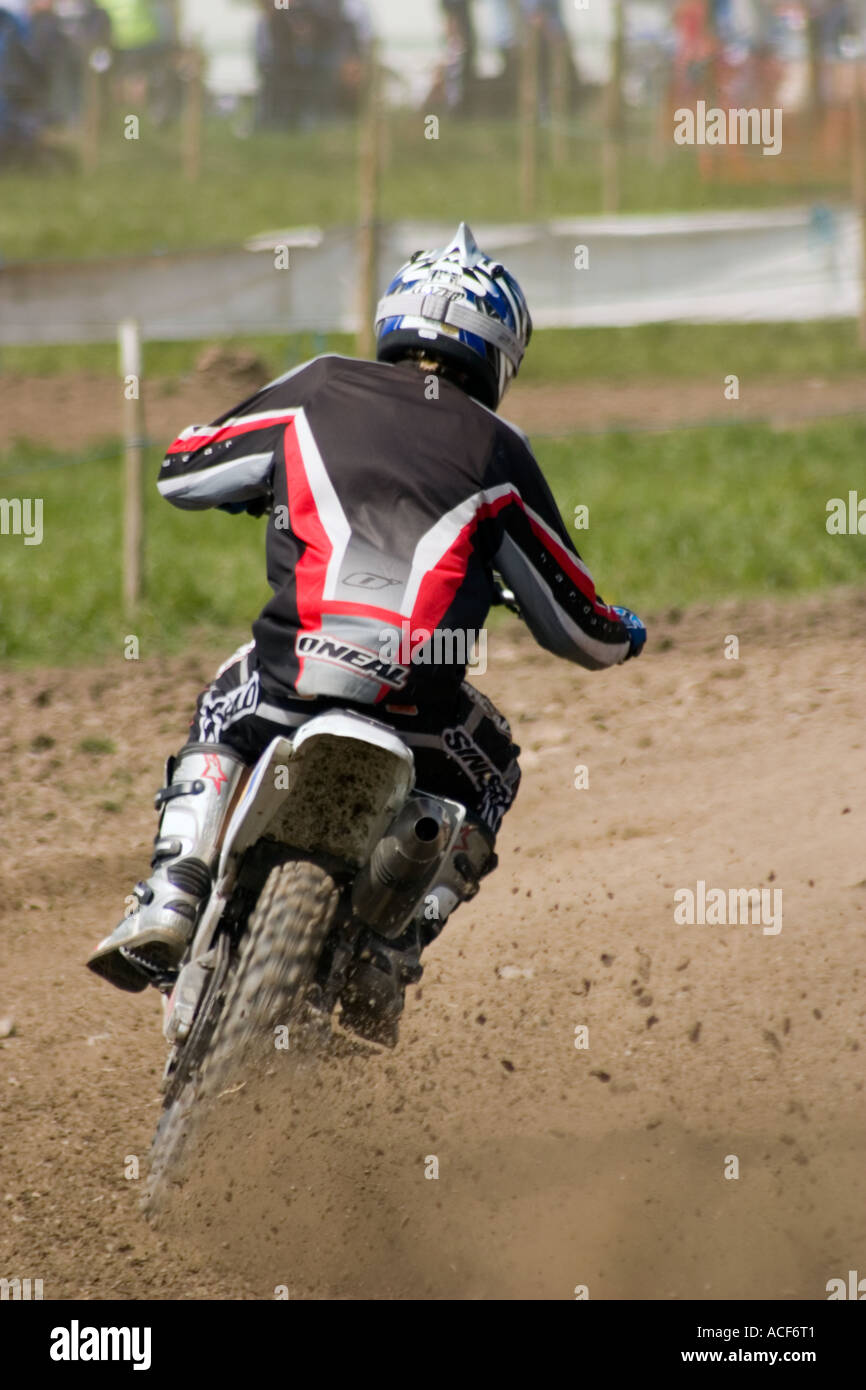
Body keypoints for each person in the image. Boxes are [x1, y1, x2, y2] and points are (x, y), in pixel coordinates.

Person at [87, 223, 646, 1045]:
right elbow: (578, 629)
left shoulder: (316, 388)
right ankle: (392, 950)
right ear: (500, 350)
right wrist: (625, 630)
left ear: (394, 319)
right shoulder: (499, 449)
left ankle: (173, 890)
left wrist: (264, 484)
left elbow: (183, 470)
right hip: (422, 708)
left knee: (221, 706)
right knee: (494, 771)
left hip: (289, 678)